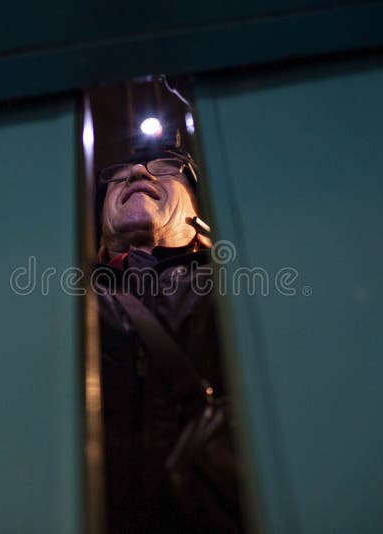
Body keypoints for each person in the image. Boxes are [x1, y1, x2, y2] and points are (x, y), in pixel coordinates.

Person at [94, 134, 244, 533]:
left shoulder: (241, 290)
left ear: (201, 221)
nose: (137, 172)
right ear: (100, 238)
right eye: (118, 178)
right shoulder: (69, 305)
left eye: (166, 170)